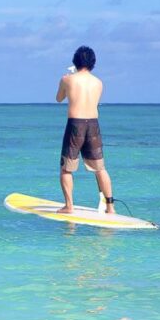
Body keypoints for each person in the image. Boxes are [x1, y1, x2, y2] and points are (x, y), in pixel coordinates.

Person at [56, 46, 115, 213]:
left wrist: (66, 79)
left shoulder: (67, 79)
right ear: (92, 63)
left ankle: (69, 206)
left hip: (76, 124)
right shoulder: (98, 82)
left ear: (75, 61)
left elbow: (59, 98)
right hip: (93, 124)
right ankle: (110, 207)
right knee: (100, 168)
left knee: (66, 168)